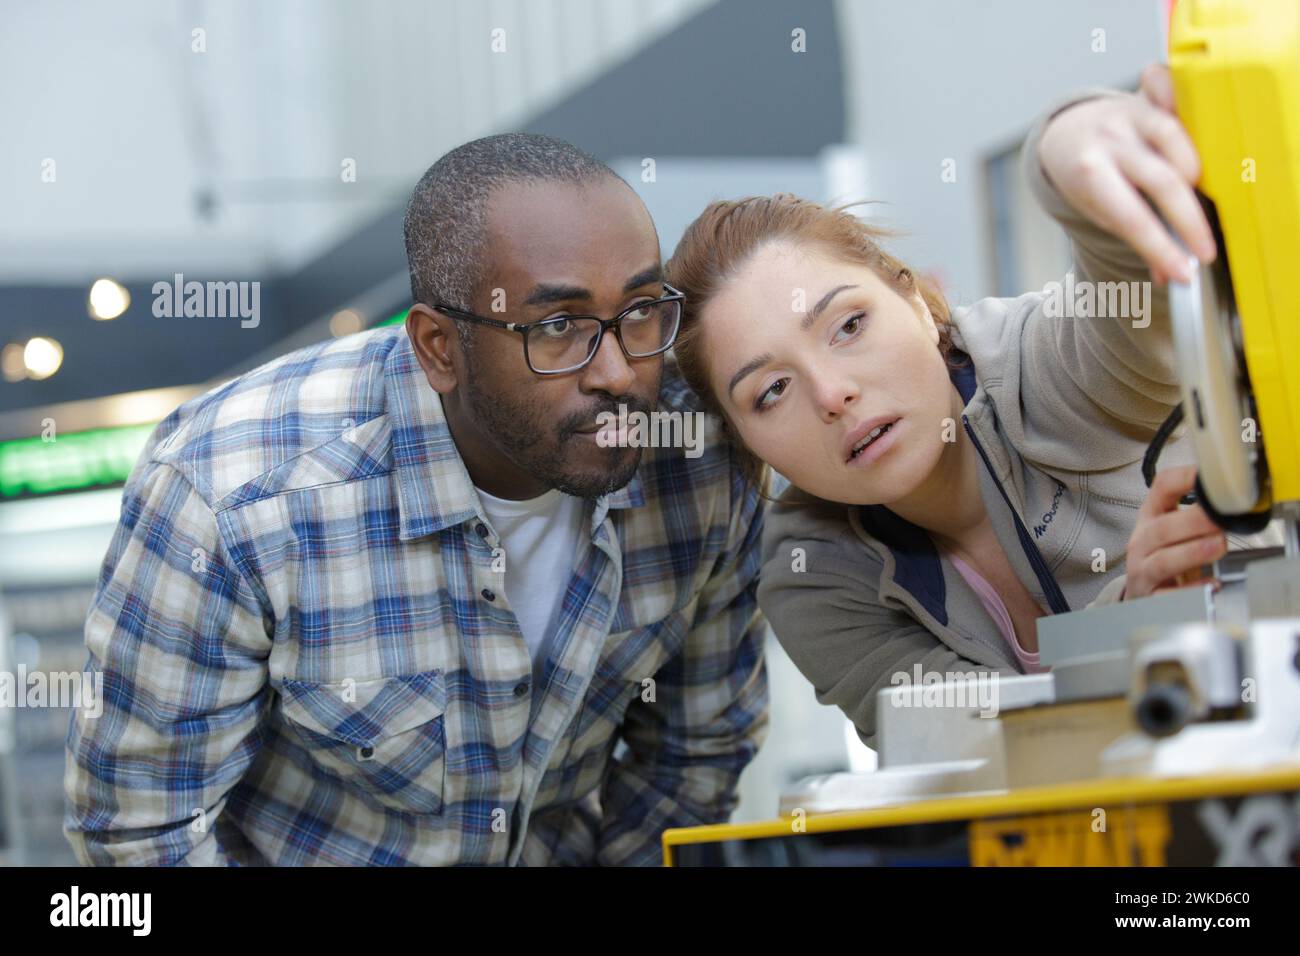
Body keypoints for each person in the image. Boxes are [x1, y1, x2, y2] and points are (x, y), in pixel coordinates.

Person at [64, 134, 768, 865]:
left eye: (643, 311)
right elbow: (140, 834)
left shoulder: (701, 462)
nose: (621, 373)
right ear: (438, 347)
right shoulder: (232, 496)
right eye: (559, 327)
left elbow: (694, 759)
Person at [665, 65, 1279, 748]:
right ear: (750, 442)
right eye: (770, 392)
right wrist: (1130, 624)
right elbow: (976, 750)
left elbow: (1138, 313)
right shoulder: (813, 578)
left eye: (848, 326)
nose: (831, 393)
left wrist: (1062, 148)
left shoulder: (1040, 367)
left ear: (916, 302)